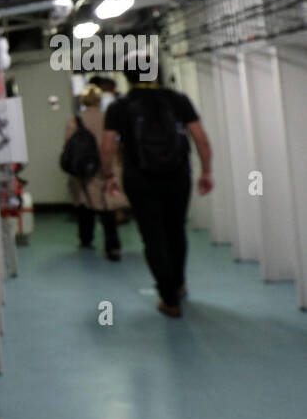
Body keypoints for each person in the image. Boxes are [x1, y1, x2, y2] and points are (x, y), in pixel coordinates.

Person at [101, 67, 214, 318]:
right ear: (154, 74)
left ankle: (169, 298)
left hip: (139, 179)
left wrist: (109, 176)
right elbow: (201, 138)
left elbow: (107, 146)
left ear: (127, 77)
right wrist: (206, 171)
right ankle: (179, 283)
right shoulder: (178, 99)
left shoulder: (119, 106)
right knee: (175, 230)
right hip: (177, 177)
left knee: (152, 236)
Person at [64, 85, 120, 260]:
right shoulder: (108, 119)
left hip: (83, 169)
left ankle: (86, 239)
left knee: (84, 204)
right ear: (99, 100)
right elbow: (115, 145)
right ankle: (112, 245)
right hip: (104, 166)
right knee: (106, 206)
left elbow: (68, 146)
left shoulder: (75, 120)